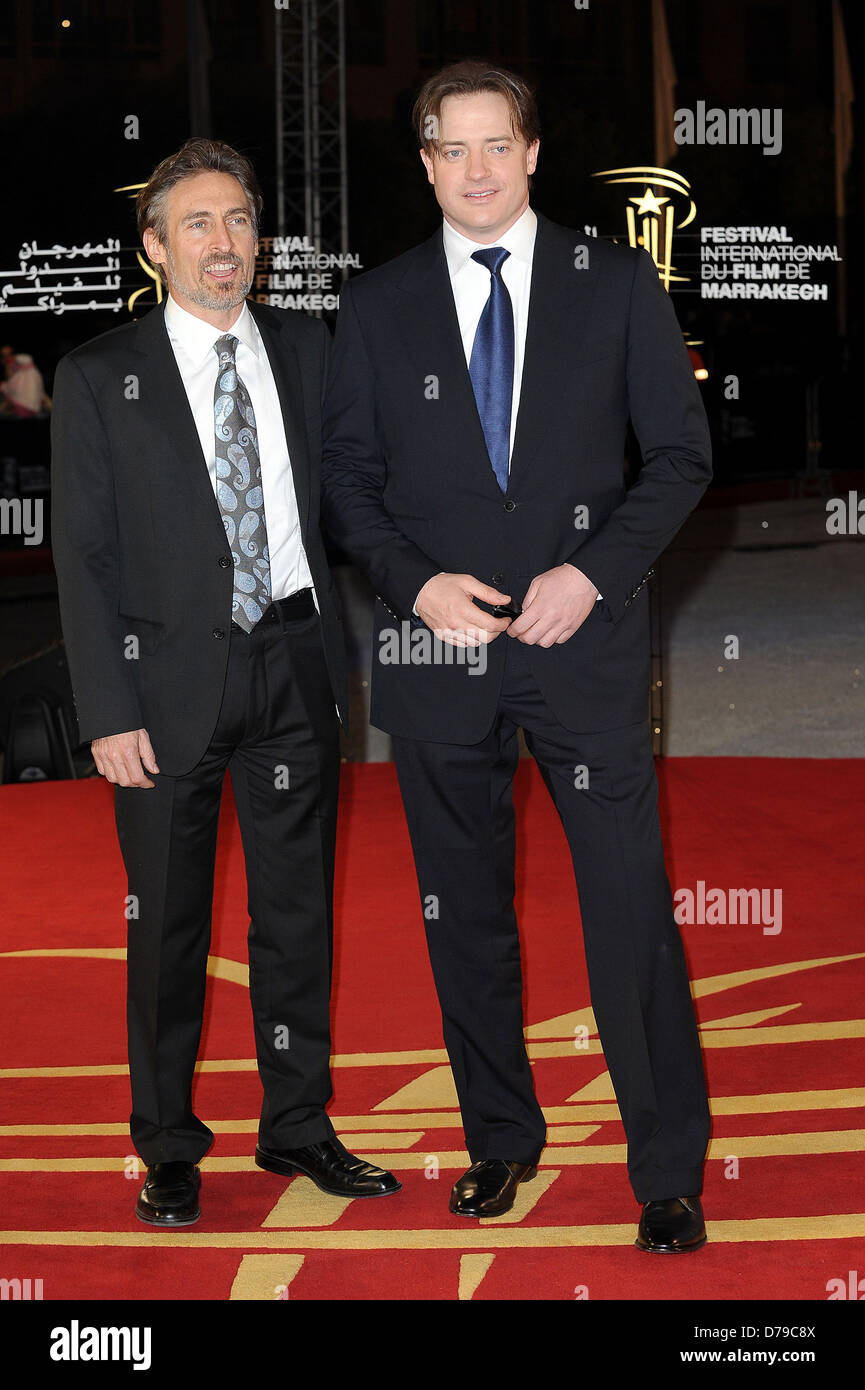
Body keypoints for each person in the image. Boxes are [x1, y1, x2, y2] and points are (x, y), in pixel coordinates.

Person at [321, 62, 712, 1251]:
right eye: (454, 148)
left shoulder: (615, 284)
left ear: (532, 153)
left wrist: (592, 574)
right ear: (427, 162)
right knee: (463, 914)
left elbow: (681, 457)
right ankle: (499, 1140)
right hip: (438, 658)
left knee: (627, 901)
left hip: (581, 645)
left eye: (499, 144)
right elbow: (346, 481)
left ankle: (666, 1168)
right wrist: (414, 583)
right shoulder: (378, 306)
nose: (478, 168)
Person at [51, 138, 400, 1227]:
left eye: (241, 220)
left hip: (294, 667)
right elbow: (84, 558)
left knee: (297, 918)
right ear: (153, 246)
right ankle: (167, 1144)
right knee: (167, 926)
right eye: (197, 223)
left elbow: (357, 488)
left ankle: (298, 1123)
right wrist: (106, 711)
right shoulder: (100, 375)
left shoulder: (305, 345)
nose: (224, 243)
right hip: (163, 693)